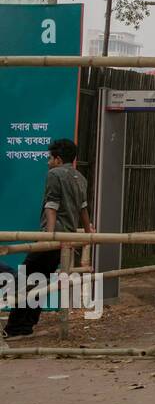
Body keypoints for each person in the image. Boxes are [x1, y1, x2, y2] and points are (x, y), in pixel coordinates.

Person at [2, 138, 93, 339]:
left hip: (53, 236)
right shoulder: (80, 177)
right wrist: (88, 233)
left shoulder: (54, 174)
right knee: (39, 282)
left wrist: (47, 237)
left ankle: (17, 328)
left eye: (49, 158)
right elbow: (83, 209)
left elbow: (51, 205)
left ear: (58, 159)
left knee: (24, 279)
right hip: (65, 238)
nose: (48, 162)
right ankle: (24, 326)